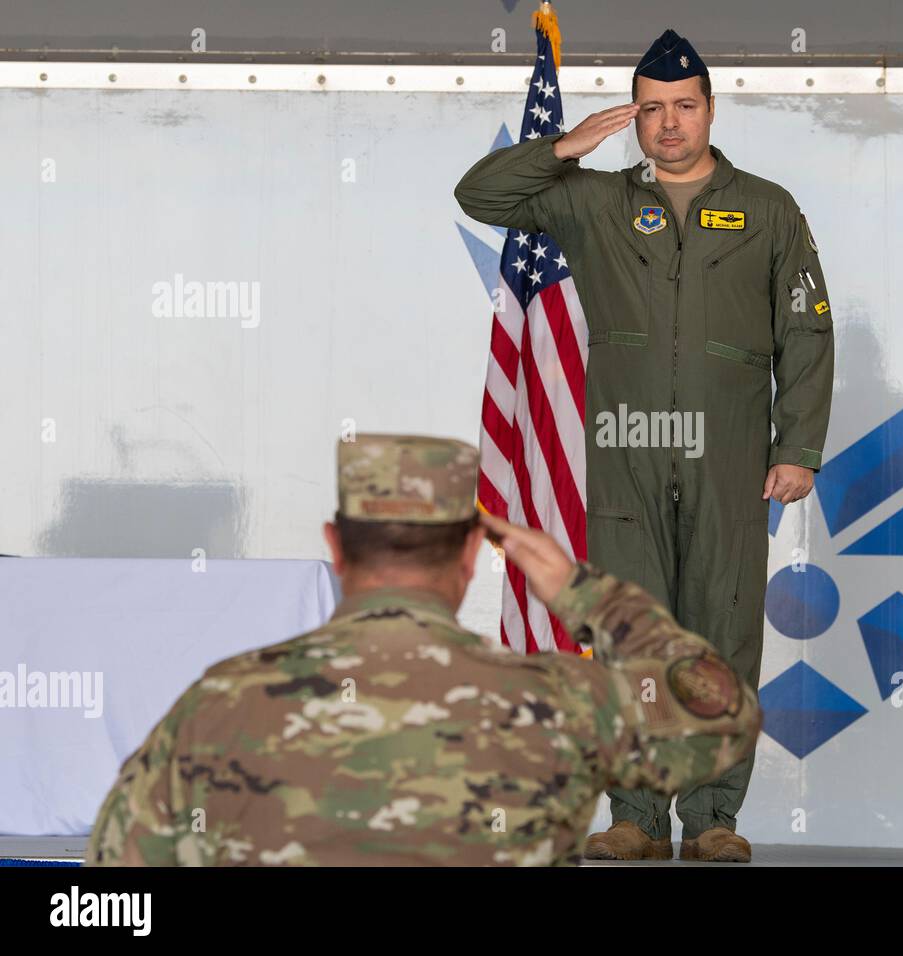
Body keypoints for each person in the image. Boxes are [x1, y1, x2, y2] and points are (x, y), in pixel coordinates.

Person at [454, 27, 834, 861]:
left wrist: (798, 443)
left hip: (729, 452)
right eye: (652, 110)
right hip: (625, 450)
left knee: (720, 632)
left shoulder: (767, 208)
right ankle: (633, 813)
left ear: (709, 110)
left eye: (684, 107)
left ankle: (713, 818)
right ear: (635, 117)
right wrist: (564, 146)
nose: (668, 124)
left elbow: (806, 330)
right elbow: (480, 196)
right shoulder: (595, 200)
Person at [85, 434, 760, 866]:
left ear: (334, 544)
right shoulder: (554, 700)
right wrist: (583, 594)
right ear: (474, 554)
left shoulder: (221, 704)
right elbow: (722, 716)